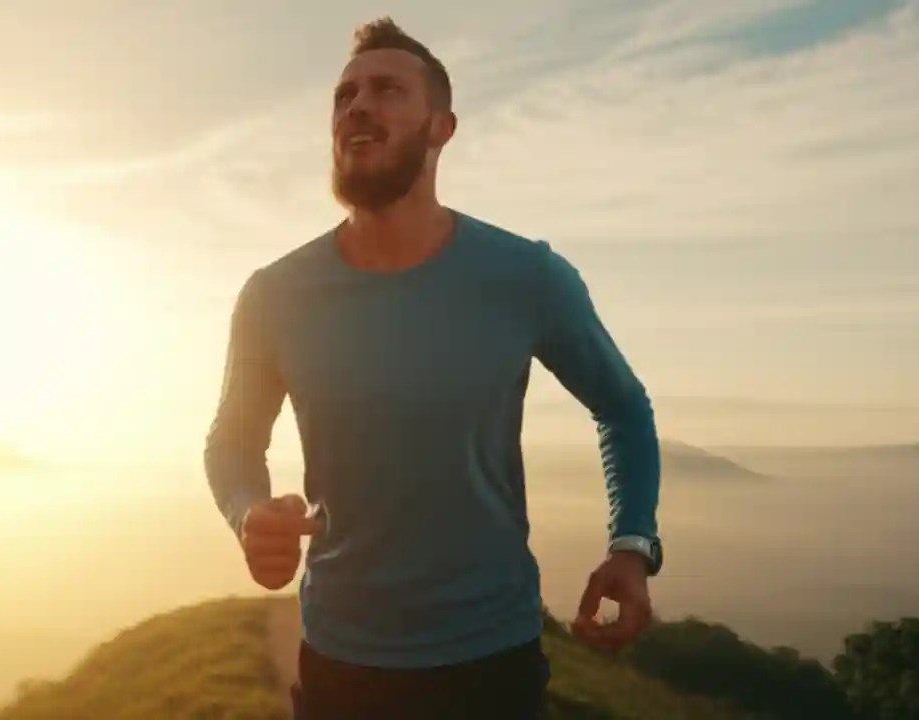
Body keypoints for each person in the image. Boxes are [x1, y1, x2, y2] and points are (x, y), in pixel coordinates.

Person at [204, 17, 663, 720]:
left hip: (492, 667)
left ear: (442, 127)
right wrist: (248, 515)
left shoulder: (525, 276)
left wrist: (631, 545)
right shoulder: (275, 295)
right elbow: (232, 445)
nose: (357, 105)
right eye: (344, 94)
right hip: (341, 669)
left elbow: (623, 406)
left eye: (387, 89)